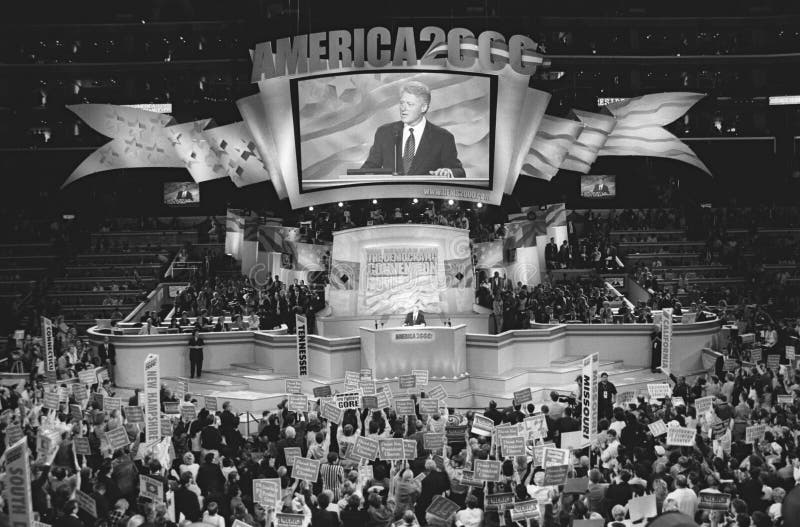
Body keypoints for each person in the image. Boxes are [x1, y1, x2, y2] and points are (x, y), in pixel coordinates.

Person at [360, 81, 465, 178]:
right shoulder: (384, 133)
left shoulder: (443, 137)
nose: (403, 108)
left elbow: (459, 171)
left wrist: (448, 172)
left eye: (409, 104)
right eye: (402, 103)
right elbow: (369, 168)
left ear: (423, 107)